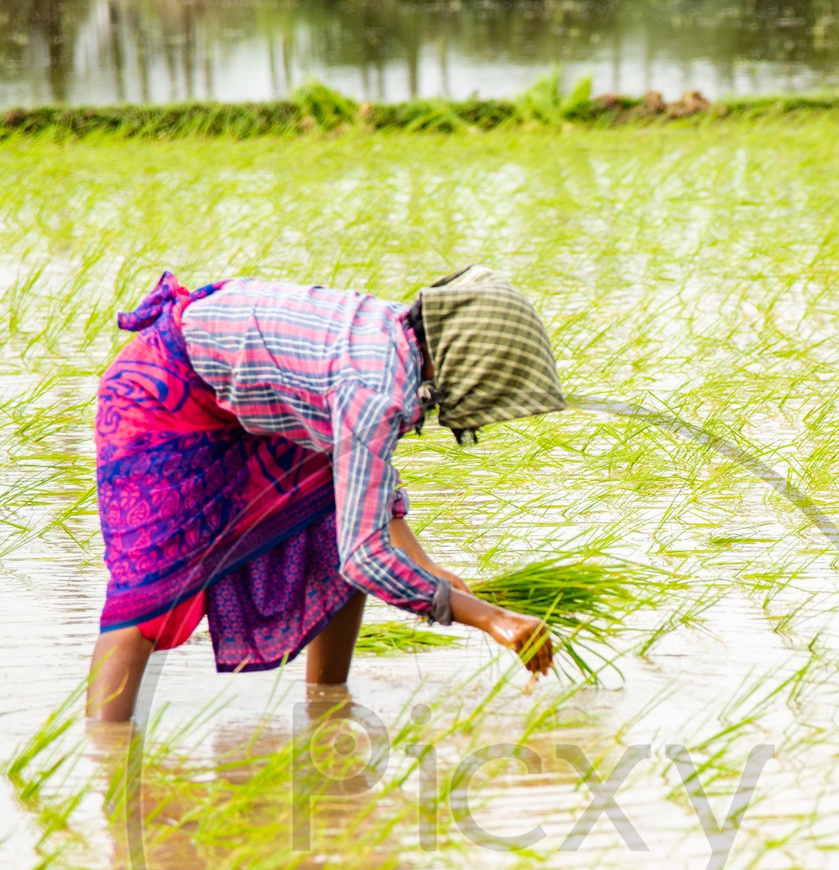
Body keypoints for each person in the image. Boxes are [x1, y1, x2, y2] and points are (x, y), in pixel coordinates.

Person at [86, 264, 562, 720]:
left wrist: (428, 566)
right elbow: (366, 558)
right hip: (155, 391)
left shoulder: (395, 339)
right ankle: (102, 753)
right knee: (146, 593)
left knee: (336, 512)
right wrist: (492, 619)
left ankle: (328, 702)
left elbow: (365, 488)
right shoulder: (374, 388)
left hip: (226, 390)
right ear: (473, 364)